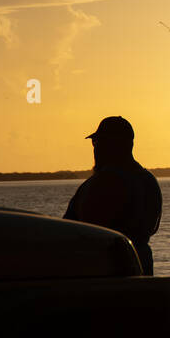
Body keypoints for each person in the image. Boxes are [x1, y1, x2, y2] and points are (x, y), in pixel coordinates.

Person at [65, 116, 163, 275]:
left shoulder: (103, 182)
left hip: (106, 281)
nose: (94, 149)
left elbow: (83, 233)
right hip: (142, 274)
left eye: (97, 142)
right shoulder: (148, 181)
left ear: (111, 145)